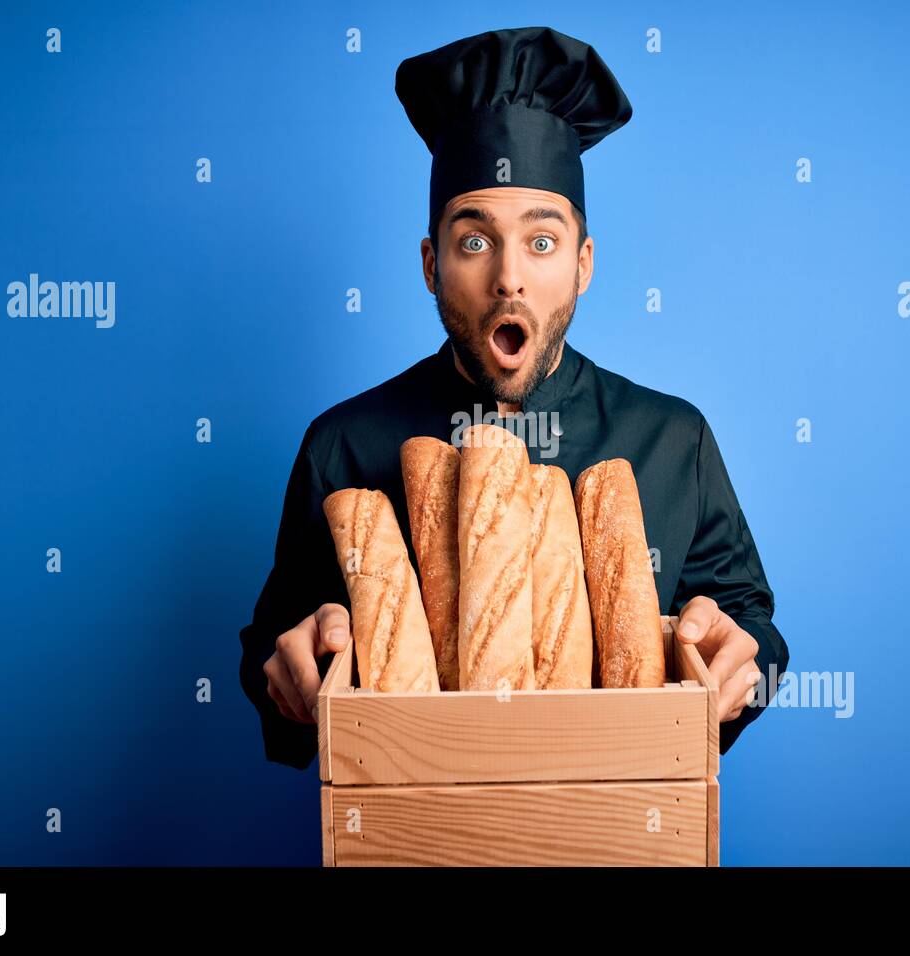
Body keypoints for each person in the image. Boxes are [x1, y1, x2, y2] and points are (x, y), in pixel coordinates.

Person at [239, 26, 791, 771]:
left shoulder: (672, 438)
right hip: (413, 834)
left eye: (541, 241)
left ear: (583, 263)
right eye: (474, 241)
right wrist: (289, 674)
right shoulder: (344, 445)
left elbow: (756, 629)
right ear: (431, 265)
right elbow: (268, 652)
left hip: (621, 830)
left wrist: (740, 669)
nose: (509, 278)